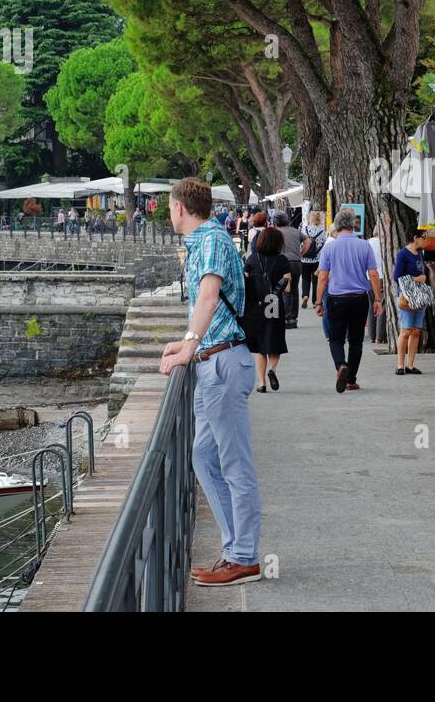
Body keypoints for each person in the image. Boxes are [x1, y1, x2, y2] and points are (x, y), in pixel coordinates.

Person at [159, 177, 261, 587]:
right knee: (203, 457)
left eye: (169, 207)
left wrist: (188, 344)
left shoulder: (214, 240)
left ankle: (245, 557)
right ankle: (233, 549)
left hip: (222, 363)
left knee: (236, 464)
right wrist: (185, 343)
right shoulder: (204, 242)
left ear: (181, 207)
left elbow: (209, 298)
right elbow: (205, 305)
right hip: (210, 362)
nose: (169, 214)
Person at [313, 207, 383, 392]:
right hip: (360, 299)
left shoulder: (330, 247)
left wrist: (318, 301)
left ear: (336, 225)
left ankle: (340, 365)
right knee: (356, 340)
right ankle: (351, 379)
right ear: (354, 224)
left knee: (336, 339)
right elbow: (374, 274)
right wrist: (378, 299)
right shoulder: (364, 245)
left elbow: (322, 277)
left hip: (336, 298)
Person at [245, 225, 291, 392]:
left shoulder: (251, 259)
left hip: (256, 306)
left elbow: (246, 283)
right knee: (275, 340)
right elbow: (287, 287)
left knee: (259, 345)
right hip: (273, 304)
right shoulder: (282, 260)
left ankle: (262, 383)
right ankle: (273, 369)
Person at [393, 229, 431, 376]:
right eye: (423, 237)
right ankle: (400, 364)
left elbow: (423, 274)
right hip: (407, 297)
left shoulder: (420, 254)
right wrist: (416, 279)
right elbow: (397, 276)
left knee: (416, 331)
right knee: (405, 330)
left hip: (420, 297)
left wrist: (423, 278)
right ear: (415, 238)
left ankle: (410, 364)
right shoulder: (402, 254)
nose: (425, 240)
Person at [275, 211, 303, 328]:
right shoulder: (296, 231)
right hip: (297, 262)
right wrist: (301, 254)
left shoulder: (276, 233)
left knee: (285, 290)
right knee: (294, 290)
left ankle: (286, 317)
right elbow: (308, 241)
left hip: (283, 263)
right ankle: (293, 318)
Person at [299, 211, 326, 308]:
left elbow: (301, 244)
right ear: (319, 220)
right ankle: (315, 301)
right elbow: (324, 247)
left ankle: (305, 295)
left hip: (304, 260)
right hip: (317, 260)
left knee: (305, 278)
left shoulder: (304, 230)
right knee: (316, 280)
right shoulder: (322, 232)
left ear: (309, 219)